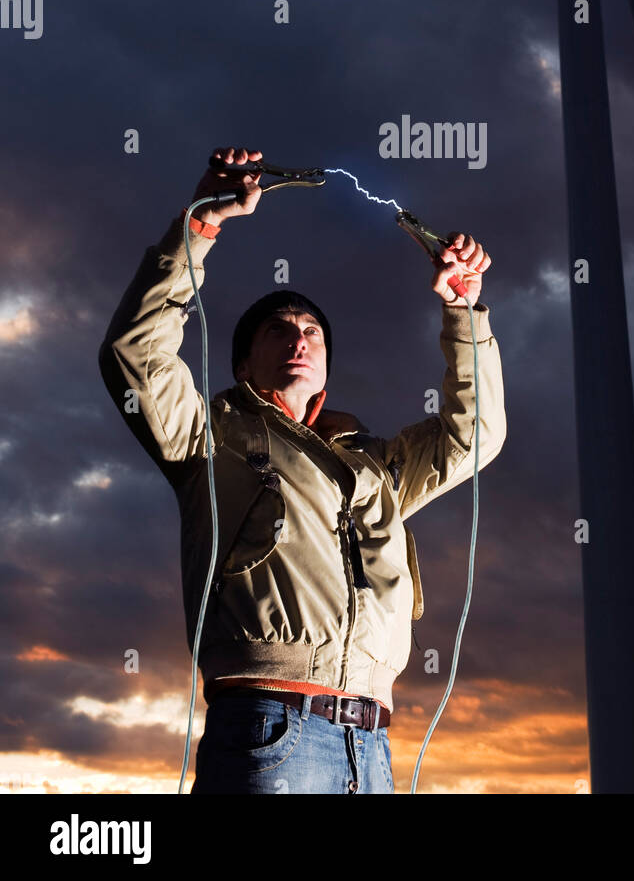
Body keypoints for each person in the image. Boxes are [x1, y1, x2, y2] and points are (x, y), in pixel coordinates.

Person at [98, 146, 507, 794]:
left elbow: (472, 437)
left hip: (370, 745)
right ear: (242, 365)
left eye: (311, 330)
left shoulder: (374, 464)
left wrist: (464, 313)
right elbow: (136, 354)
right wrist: (202, 223)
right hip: (269, 732)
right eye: (278, 330)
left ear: (326, 362)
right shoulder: (210, 437)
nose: (298, 338)